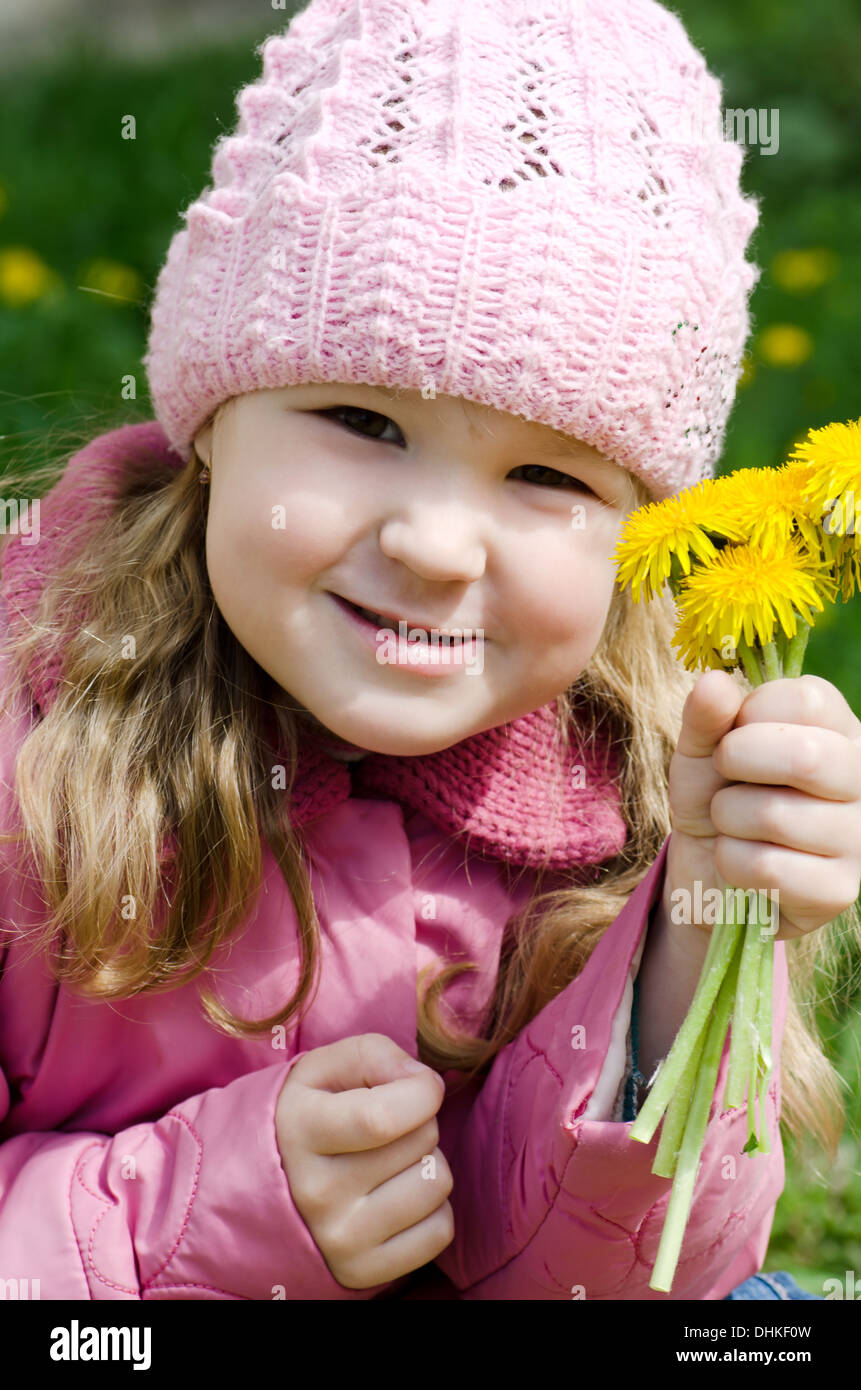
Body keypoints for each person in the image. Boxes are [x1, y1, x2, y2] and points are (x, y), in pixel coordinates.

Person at [0, 0, 857, 1302]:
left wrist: (696, 932)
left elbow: (589, 1284)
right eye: (361, 417)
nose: (441, 545)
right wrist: (196, 1211)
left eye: (546, 474)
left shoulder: (629, 757)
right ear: (213, 422)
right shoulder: (33, 742)